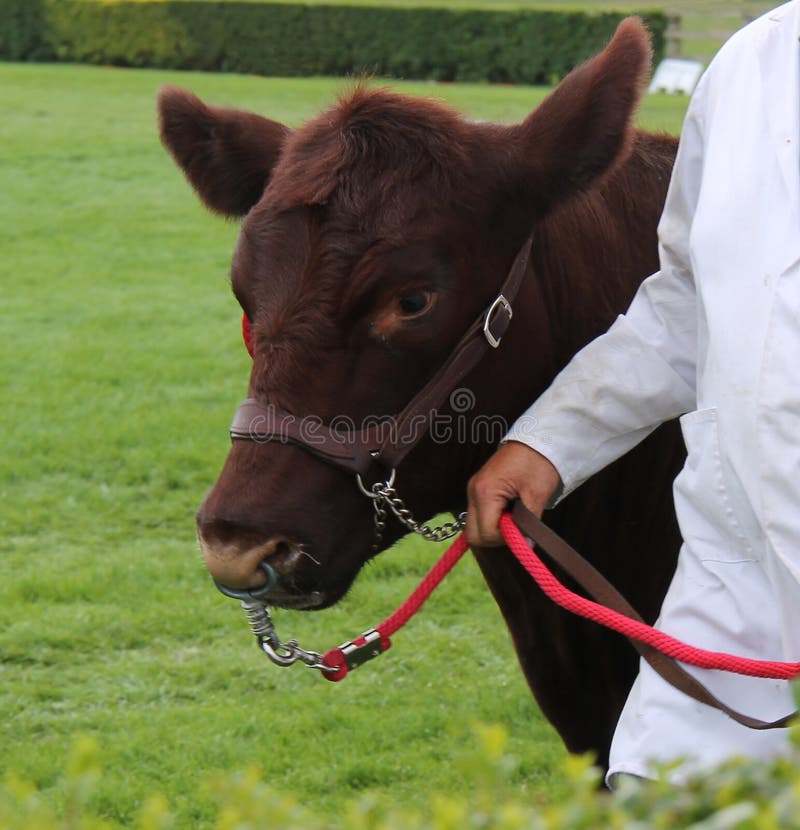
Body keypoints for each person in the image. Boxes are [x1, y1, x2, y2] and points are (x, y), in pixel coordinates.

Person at [466, 0, 800, 785]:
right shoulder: (752, 66)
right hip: (738, 578)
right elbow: (687, 302)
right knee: (658, 799)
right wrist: (550, 441)